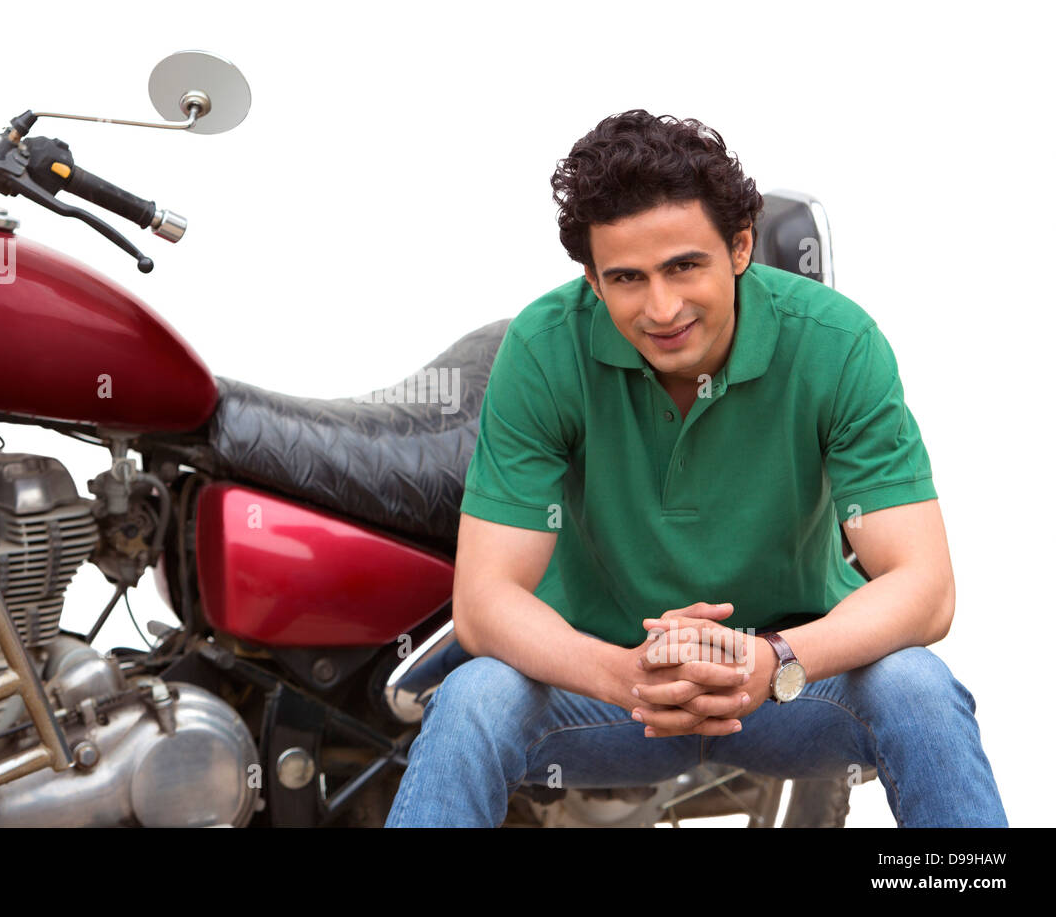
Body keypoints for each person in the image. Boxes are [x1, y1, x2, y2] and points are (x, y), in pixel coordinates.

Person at [384, 110, 1006, 828]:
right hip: (610, 695)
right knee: (475, 696)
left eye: (684, 266)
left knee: (918, 686)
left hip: (788, 684)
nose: (662, 308)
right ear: (591, 276)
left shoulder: (838, 343)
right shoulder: (544, 348)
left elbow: (926, 590)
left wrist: (772, 660)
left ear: (740, 246)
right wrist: (621, 675)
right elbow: (486, 602)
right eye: (626, 278)